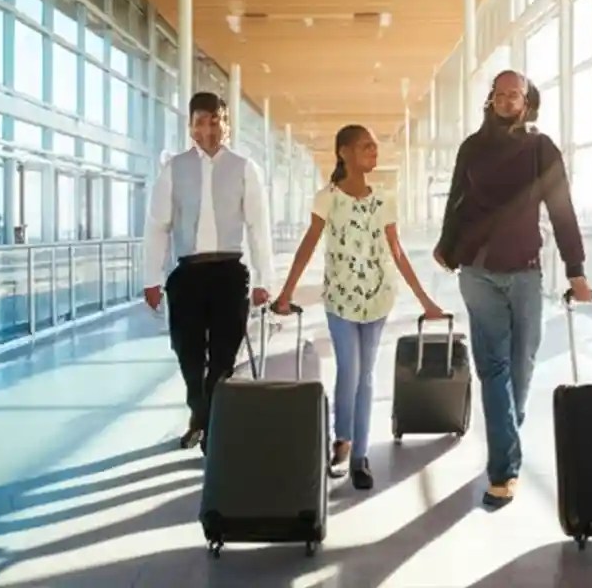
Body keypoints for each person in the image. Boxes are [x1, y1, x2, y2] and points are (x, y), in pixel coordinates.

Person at [434, 69, 592, 508]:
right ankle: (503, 471)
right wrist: (447, 247)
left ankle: (507, 435)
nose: (506, 101)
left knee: (522, 364)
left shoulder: (541, 149)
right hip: (478, 271)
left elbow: (562, 209)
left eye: (514, 95)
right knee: (494, 368)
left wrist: (575, 269)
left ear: (527, 101)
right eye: (499, 94)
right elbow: (456, 201)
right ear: (491, 99)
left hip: (525, 271)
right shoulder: (473, 147)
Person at [274, 124, 444, 489]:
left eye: (375, 146)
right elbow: (308, 245)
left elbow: (396, 252)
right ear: (344, 152)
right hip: (340, 299)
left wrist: (425, 300)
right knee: (349, 370)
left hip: (378, 298)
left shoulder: (385, 199)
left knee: (366, 376)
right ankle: (343, 440)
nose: (373, 152)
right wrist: (286, 292)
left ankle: (360, 457)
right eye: (366, 146)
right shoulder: (327, 198)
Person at [143, 92, 275, 453]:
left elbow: (259, 228)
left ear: (226, 125)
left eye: (215, 120)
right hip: (187, 275)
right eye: (200, 121)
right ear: (190, 127)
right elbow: (157, 225)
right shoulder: (173, 168)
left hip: (230, 275)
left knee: (222, 358)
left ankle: (208, 427)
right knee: (189, 356)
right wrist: (151, 279)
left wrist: (265, 282)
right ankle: (200, 415)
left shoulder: (246, 167)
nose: (208, 129)